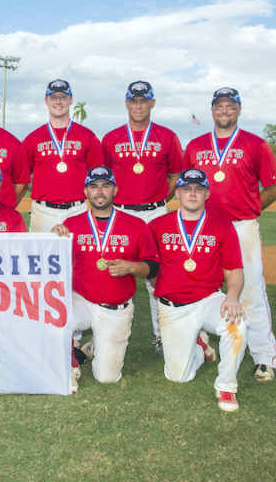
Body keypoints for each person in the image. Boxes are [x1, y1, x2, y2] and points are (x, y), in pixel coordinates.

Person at [183, 87, 276, 382]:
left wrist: (250, 209)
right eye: (219, 106)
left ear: (238, 110)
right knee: (200, 288)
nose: (224, 110)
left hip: (241, 226)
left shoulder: (255, 144)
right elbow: (188, 188)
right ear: (212, 110)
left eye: (230, 106)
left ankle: (264, 357)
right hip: (205, 226)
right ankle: (199, 342)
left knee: (251, 292)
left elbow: (274, 187)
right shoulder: (196, 145)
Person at [148, 168, 247, 411]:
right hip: (172, 307)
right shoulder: (157, 225)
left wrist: (232, 296)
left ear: (206, 194)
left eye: (198, 189)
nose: (192, 194)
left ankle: (226, 386)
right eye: (186, 189)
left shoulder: (222, 226)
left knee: (237, 323)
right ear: (178, 193)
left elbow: (234, 269)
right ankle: (200, 349)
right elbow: (148, 266)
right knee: (178, 376)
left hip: (208, 300)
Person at [52, 166, 158, 391]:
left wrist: (132, 267)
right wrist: (54, 240)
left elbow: (152, 267)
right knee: (55, 317)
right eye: (94, 186)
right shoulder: (71, 224)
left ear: (115, 190)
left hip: (115, 307)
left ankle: (94, 347)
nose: (99, 191)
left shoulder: (136, 225)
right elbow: (51, 265)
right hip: (82, 300)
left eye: (105, 186)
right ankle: (70, 365)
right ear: (86, 192)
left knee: (107, 378)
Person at [101, 80, 184, 358]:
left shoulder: (167, 137)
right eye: (134, 101)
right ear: (126, 103)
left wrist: (161, 198)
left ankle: (162, 336)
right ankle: (103, 333)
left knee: (157, 277)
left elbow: (176, 175)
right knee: (111, 270)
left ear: (152, 103)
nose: (138, 106)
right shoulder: (111, 138)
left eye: (144, 100)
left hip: (155, 212)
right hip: (120, 213)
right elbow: (103, 179)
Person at [23, 79, 103, 232]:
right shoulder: (33, 138)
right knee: (42, 255)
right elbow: (23, 176)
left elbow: (97, 176)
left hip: (77, 209)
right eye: (53, 97)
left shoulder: (87, 136)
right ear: (46, 101)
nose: (58, 102)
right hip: (43, 211)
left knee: (78, 256)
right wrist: (44, 190)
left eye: (63, 97)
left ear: (71, 100)